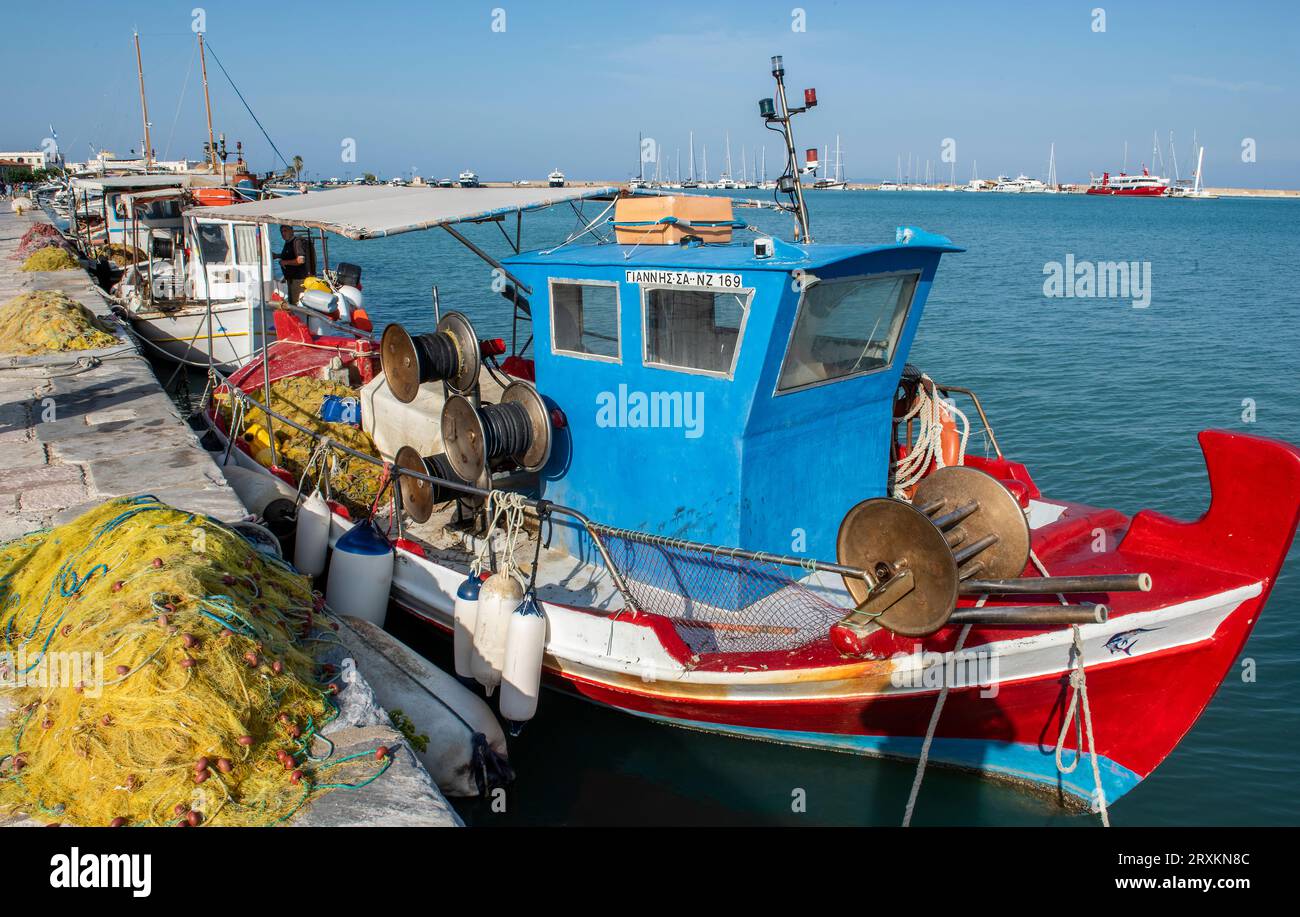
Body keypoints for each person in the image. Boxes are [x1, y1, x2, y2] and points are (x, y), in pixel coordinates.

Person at [277, 225, 311, 304]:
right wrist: (276, 256)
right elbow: (289, 254)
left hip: (298, 280)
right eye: (281, 232)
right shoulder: (288, 243)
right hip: (291, 280)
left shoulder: (297, 242)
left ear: (292, 231)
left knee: (296, 304)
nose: (283, 233)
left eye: (285, 231)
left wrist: (285, 262)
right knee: (292, 302)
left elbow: (301, 260)